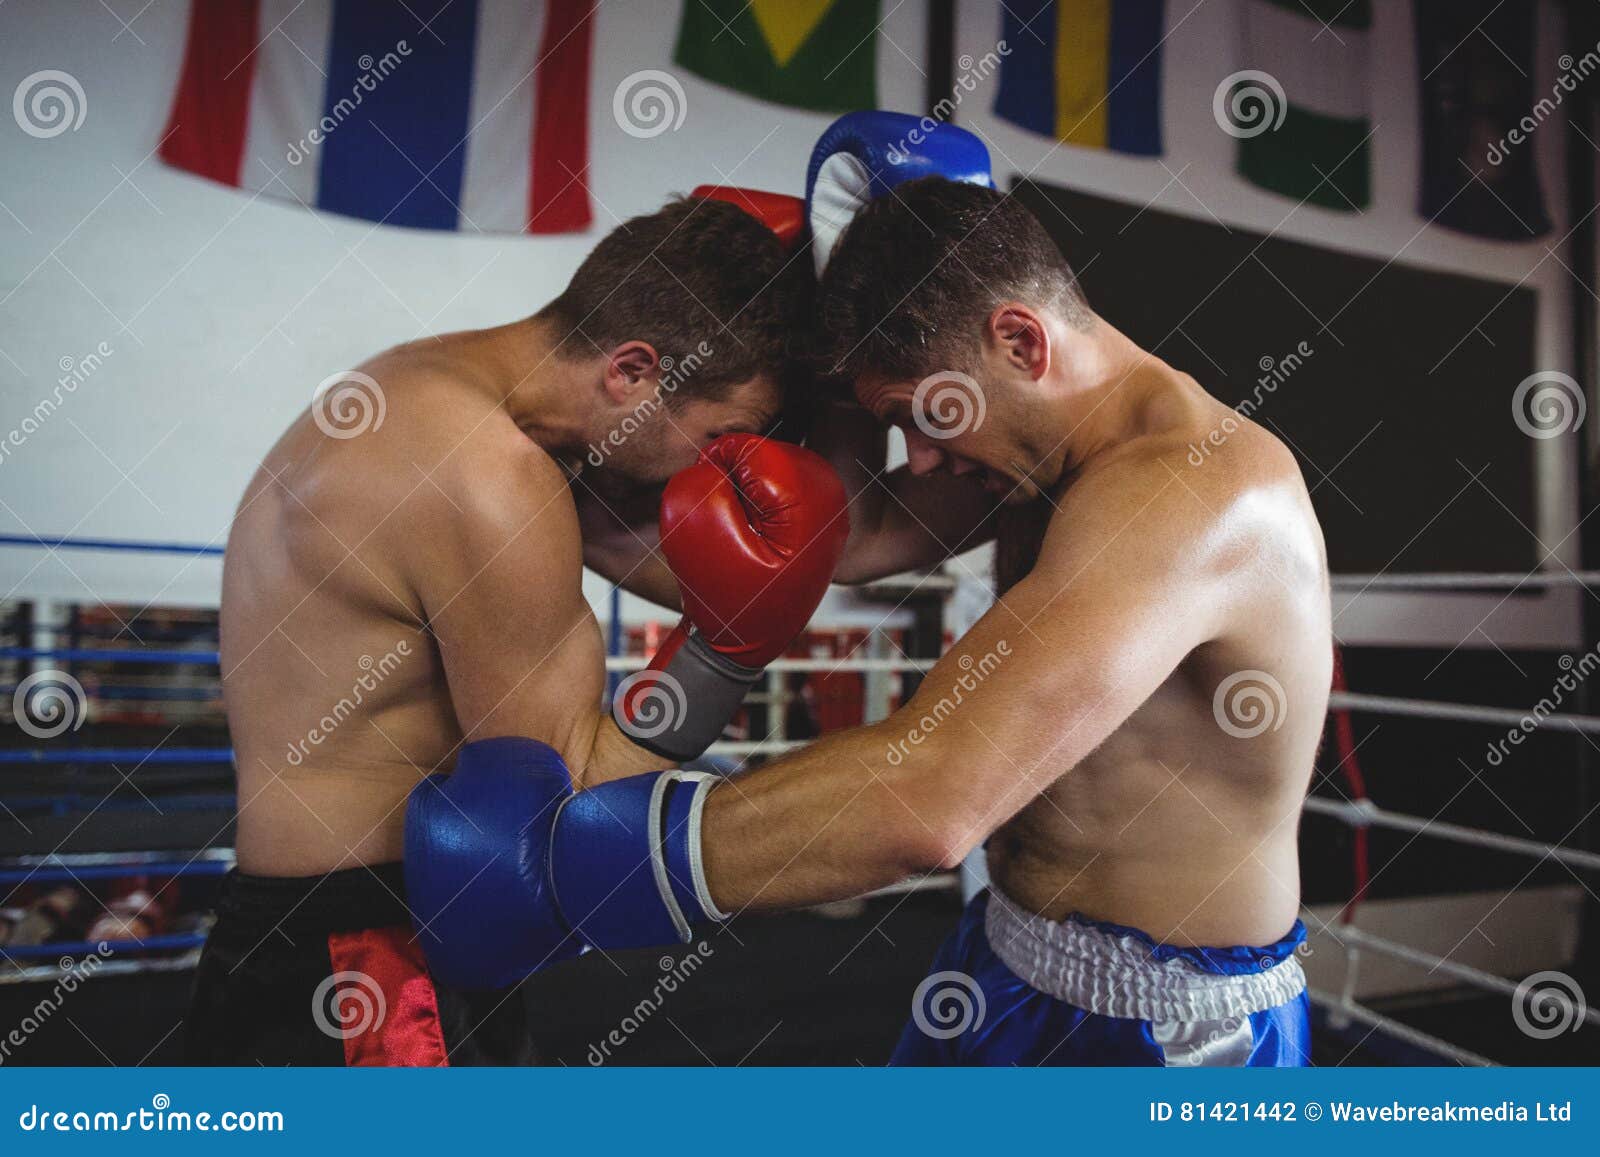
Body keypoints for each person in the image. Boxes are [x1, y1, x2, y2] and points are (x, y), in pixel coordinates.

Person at [406, 113, 1331, 1067]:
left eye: (921, 420)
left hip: (1178, 1029)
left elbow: (933, 797)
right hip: (1004, 953)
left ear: (1020, 339)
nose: (920, 458)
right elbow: (837, 538)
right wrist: (537, 472)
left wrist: (577, 864)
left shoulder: (1201, 492)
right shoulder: (1038, 458)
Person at [186, 188, 848, 1065]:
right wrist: (727, 652)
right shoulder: (490, 477)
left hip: (287, 938)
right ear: (634, 372)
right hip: (374, 973)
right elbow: (568, 821)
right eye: (725, 433)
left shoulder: (405, 385)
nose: (721, 463)